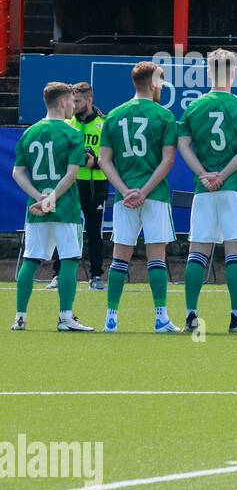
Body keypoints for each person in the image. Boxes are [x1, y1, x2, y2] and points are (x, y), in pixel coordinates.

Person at [177, 50, 237, 334]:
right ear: (234, 73)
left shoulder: (193, 108)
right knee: (235, 251)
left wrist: (204, 174)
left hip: (204, 188)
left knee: (198, 250)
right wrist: (223, 175)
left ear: (209, 72)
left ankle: (191, 317)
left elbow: (184, 146)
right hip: (233, 187)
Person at [96, 62, 182, 334]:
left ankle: (111, 317)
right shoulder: (164, 116)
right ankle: (160, 318)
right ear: (155, 84)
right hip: (153, 194)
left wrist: (124, 190)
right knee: (156, 256)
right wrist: (144, 191)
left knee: (120, 255)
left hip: (125, 197)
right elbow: (168, 160)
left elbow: (103, 160)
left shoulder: (113, 116)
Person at [11, 82, 93, 331]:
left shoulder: (30, 132)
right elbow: (71, 174)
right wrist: (52, 198)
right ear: (61, 103)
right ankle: (65, 317)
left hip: (36, 209)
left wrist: (39, 197)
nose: (73, 106)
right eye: (71, 101)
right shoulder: (72, 134)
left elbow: (17, 172)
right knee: (69, 258)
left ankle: (20, 317)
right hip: (65, 206)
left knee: (31, 259)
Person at [48, 82, 109, 292]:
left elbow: (112, 157)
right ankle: (58, 275)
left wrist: (95, 160)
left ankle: (96, 277)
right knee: (64, 228)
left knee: (94, 231)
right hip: (70, 183)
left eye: (78, 101)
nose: (74, 106)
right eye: (72, 102)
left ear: (89, 100)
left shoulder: (104, 122)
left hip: (95, 183)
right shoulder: (68, 123)